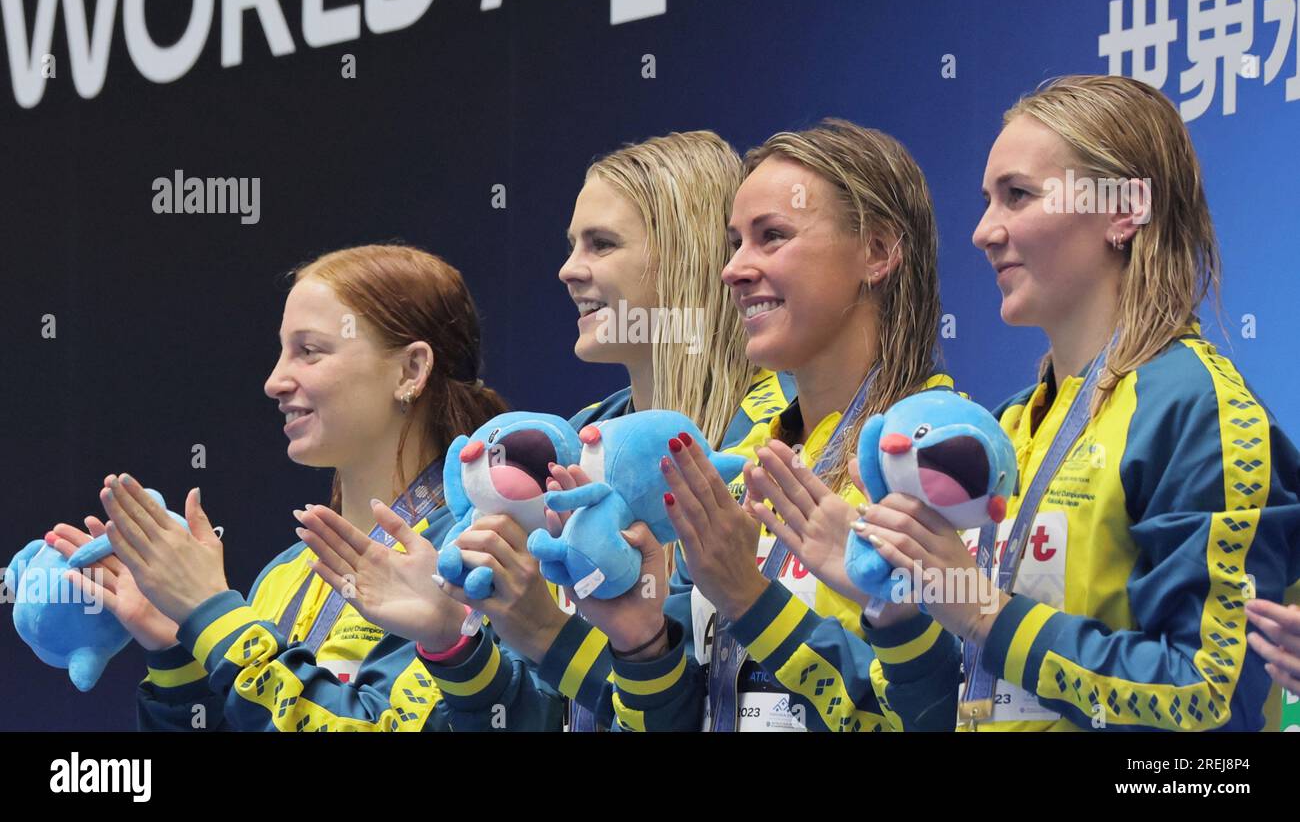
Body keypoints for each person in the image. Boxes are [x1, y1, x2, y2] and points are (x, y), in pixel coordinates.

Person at [303, 131, 796, 732]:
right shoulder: (567, 441)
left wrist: (548, 633)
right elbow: (530, 713)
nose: (568, 270)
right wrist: (456, 647)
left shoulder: (776, 440)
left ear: (686, 253)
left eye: (601, 244)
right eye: (572, 245)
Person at [850, 75, 1300, 731]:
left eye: (1018, 196)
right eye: (986, 200)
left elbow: (1210, 704)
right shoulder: (1005, 429)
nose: (981, 231)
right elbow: (948, 709)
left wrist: (985, 613)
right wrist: (898, 617)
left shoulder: (1196, 413)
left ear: (1123, 210)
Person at [50, 245, 560, 731]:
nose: (274, 381)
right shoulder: (284, 575)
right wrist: (177, 652)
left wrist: (212, 612)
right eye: (281, 353)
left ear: (410, 370)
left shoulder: (481, 553)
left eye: (309, 352)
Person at [587, 119, 963, 731]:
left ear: (877, 252)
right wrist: (642, 646)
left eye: (773, 237)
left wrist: (750, 600)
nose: (734, 269)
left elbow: (935, 717)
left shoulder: (940, 458)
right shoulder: (740, 462)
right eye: (735, 242)